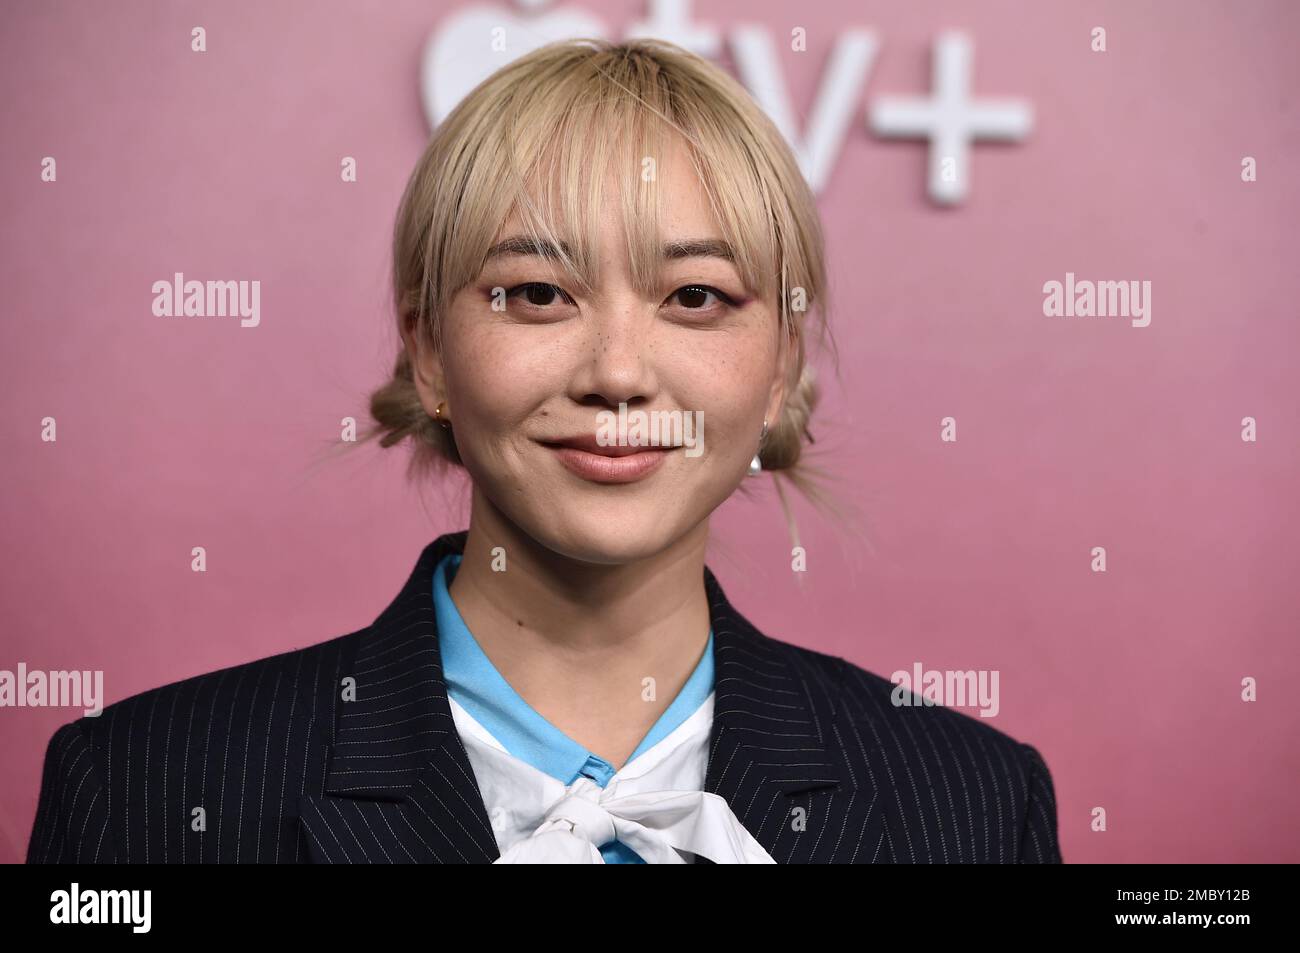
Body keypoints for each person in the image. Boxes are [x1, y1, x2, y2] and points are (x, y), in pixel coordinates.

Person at [27, 37, 1061, 864]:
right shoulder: (141, 790)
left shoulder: (974, 802)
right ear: (428, 348)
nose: (617, 373)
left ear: (782, 365)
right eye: (536, 293)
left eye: (695, 296)